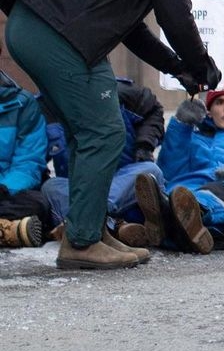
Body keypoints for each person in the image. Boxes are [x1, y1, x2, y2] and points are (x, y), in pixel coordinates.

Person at [0, 0, 222, 270]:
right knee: (103, 133)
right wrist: (202, 67)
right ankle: (82, 242)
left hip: (41, 27)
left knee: (87, 132)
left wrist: (177, 67)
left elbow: (133, 31)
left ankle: (89, 231)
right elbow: (175, 16)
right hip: (52, 32)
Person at [135, 79, 224, 254]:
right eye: (219, 102)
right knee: (175, 190)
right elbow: (170, 170)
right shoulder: (193, 137)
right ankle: (179, 220)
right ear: (209, 111)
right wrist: (181, 125)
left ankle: (178, 216)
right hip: (187, 190)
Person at [41, 78, 166, 247]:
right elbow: (32, 158)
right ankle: (115, 228)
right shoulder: (45, 106)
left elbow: (153, 112)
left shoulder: (122, 93)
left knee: (150, 171)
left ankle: (88, 224)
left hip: (122, 186)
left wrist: (145, 145)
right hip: (78, 188)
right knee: (51, 187)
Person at [0, 63, 48, 248]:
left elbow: (29, 163)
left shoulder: (23, 103)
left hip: (6, 192)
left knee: (38, 203)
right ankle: (9, 231)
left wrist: (5, 188)